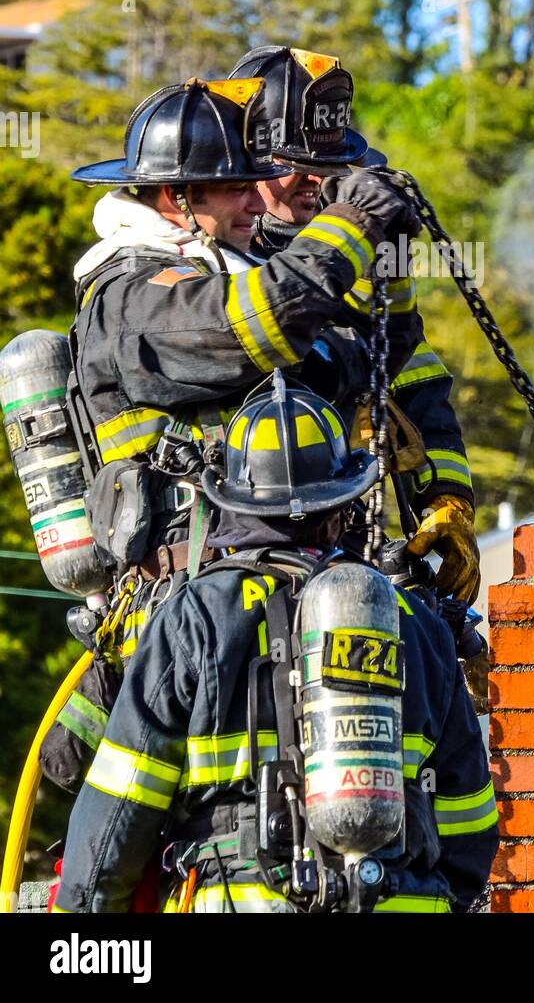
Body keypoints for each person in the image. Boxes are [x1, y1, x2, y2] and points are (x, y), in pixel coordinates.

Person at [51, 379, 498, 914]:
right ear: (342, 506)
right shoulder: (417, 623)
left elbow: (120, 808)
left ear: (233, 504)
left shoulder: (195, 616)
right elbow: (469, 826)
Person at [67, 74, 421, 649]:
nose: (257, 203)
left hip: (291, 584)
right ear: (176, 196)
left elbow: (365, 357)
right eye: (237, 189)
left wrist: (389, 252)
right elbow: (257, 324)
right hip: (191, 612)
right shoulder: (131, 296)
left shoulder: (229, 273)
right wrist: (349, 221)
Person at [226, 46, 479, 608]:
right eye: (292, 163)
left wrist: (446, 498)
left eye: (326, 164)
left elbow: (416, 381)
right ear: (247, 160)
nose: (314, 180)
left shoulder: (357, 259)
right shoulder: (218, 268)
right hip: (242, 552)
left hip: (349, 540)